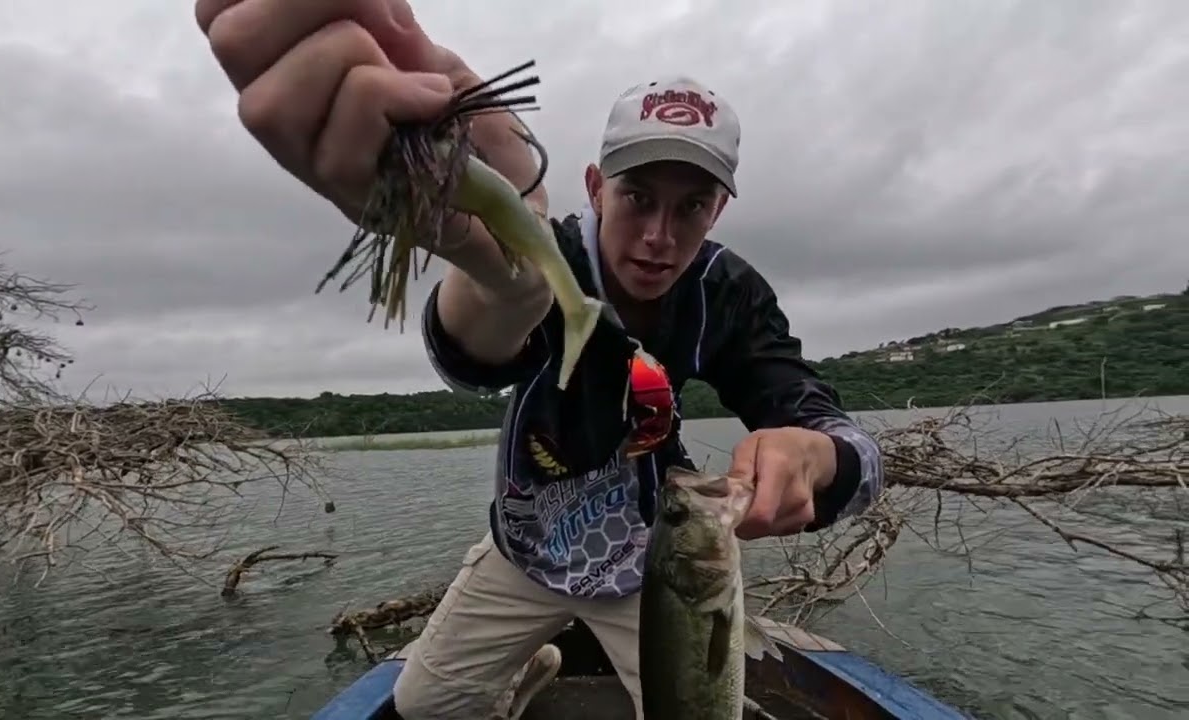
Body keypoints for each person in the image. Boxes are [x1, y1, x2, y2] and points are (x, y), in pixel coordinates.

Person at [193, 2, 885, 718]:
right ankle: (531, 665)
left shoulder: (728, 293)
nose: (658, 236)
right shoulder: (542, 255)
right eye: (637, 197)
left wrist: (820, 455)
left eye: (691, 207)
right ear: (595, 187)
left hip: (651, 565)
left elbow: (849, 444)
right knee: (423, 706)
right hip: (524, 549)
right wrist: (499, 275)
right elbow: (471, 354)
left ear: (718, 211)